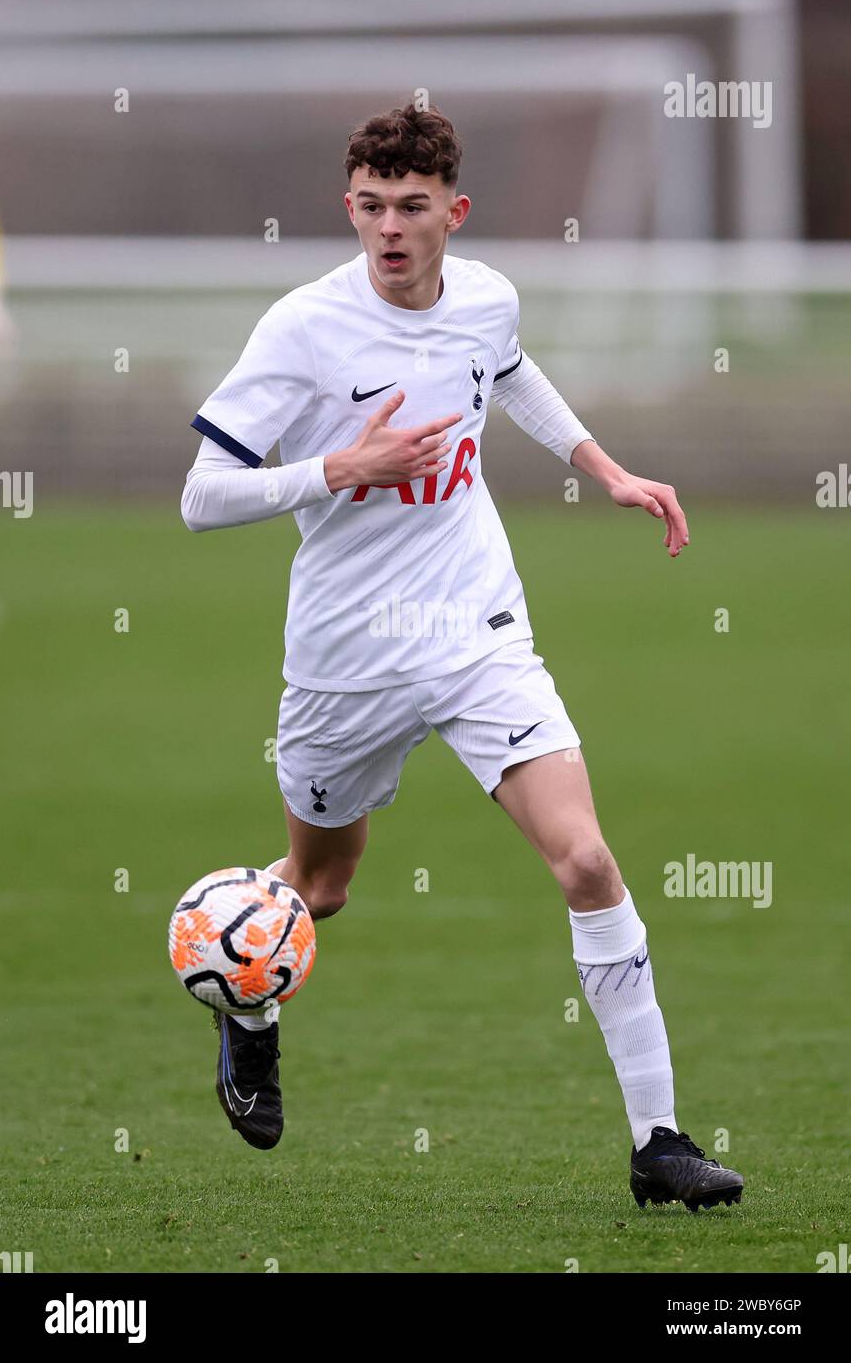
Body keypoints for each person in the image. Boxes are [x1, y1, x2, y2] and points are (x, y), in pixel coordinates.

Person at [182, 103, 743, 1212]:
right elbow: (201, 498)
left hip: (475, 629)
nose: (390, 228)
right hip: (344, 652)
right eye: (371, 207)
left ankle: (659, 1141)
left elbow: (511, 370)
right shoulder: (303, 327)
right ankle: (247, 1007)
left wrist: (609, 468)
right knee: (324, 890)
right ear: (349, 206)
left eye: (412, 207)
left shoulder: (487, 296)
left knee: (584, 860)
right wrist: (338, 469)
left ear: (454, 212)